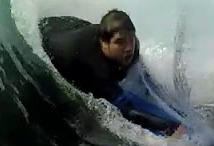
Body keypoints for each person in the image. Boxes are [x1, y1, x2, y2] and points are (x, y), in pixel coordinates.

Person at [39, 9, 185, 137]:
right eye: (120, 42)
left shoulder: (132, 46)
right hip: (51, 37)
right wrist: (168, 127)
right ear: (104, 43)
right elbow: (125, 110)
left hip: (73, 27)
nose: (129, 47)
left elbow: (145, 78)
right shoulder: (96, 69)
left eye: (131, 39)